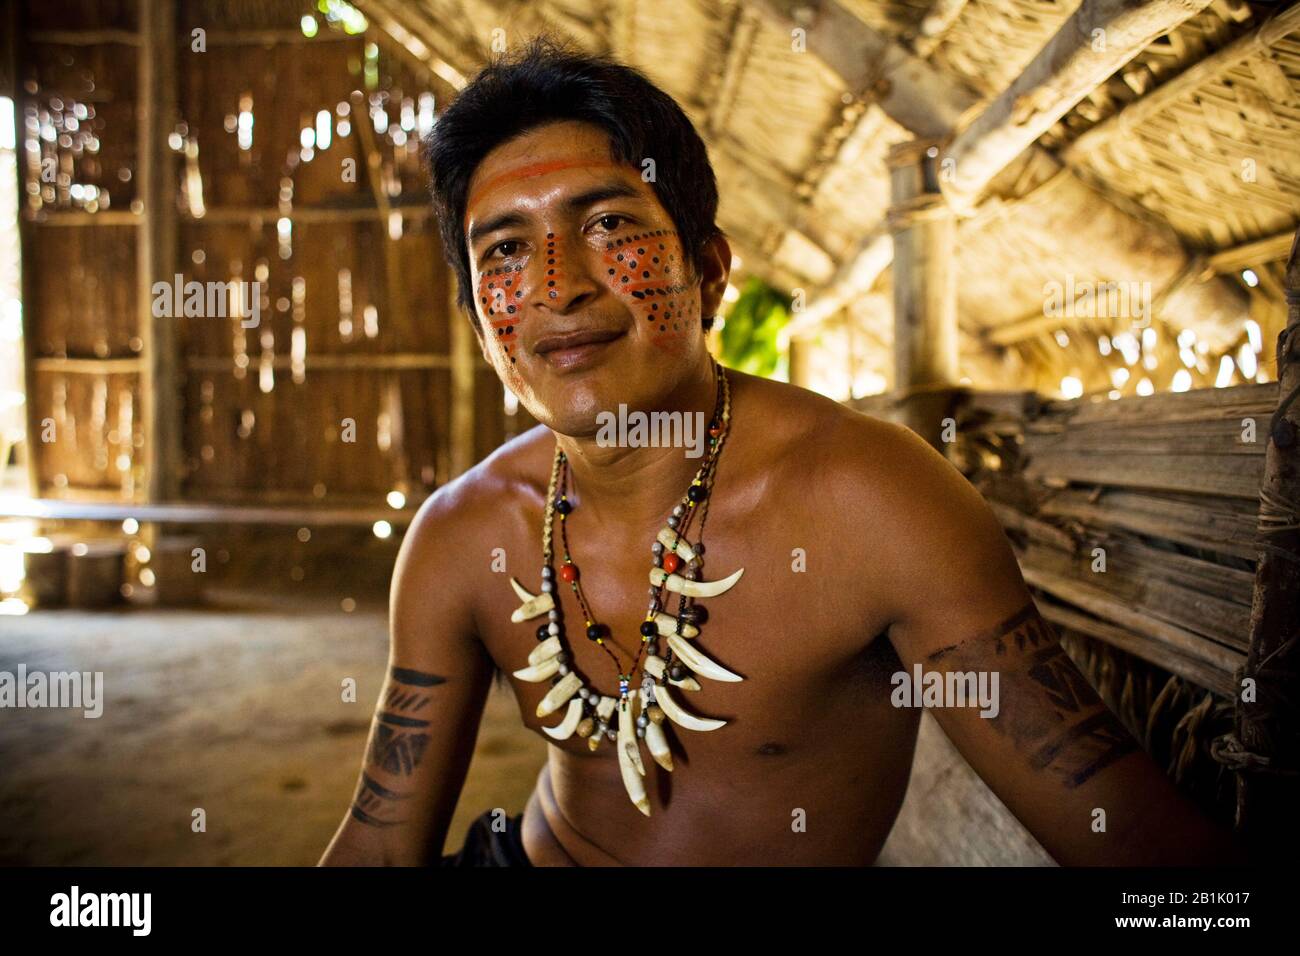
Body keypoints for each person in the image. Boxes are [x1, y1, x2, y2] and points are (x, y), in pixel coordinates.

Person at [319, 38, 1242, 867]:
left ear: (709, 269)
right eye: (508, 251)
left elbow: (1124, 832)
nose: (558, 288)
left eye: (608, 226)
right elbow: (380, 840)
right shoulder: (461, 536)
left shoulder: (873, 501)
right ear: (484, 324)